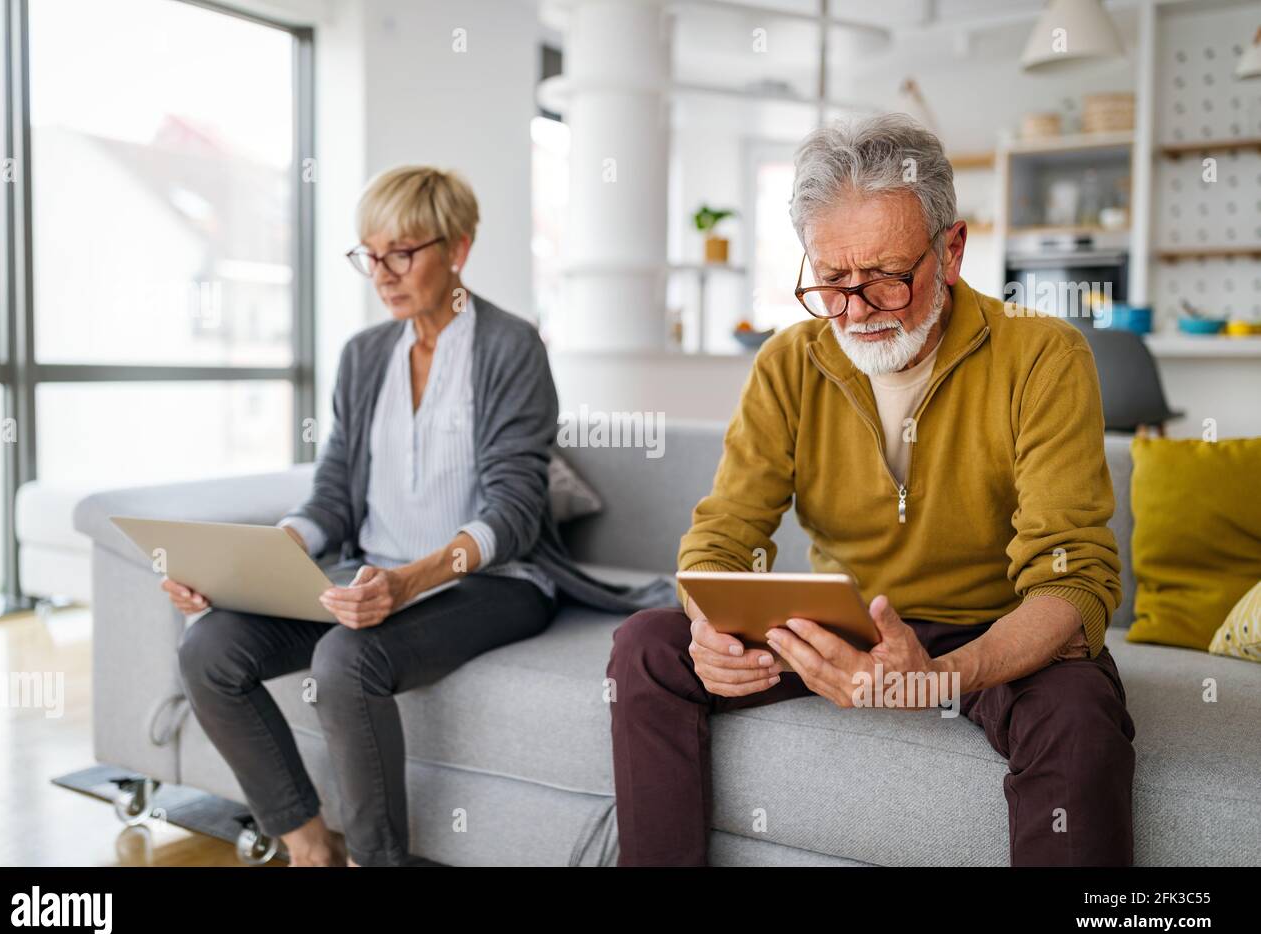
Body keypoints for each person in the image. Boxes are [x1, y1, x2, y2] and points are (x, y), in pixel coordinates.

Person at [607, 114, 1133, 867]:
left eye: (885, 279)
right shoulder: (790, 362)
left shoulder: (1044, 354)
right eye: (830, 282)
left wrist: (937, 678)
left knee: (1081, 714)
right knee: (645, 646)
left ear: (951, 251)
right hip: (847, 627)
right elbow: (724, 534)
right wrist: (707, 625)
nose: (853, 311)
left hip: (992, 630)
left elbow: (1073, 577)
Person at [167, 166, 670, 866]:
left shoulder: (510, 346)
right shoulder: (365, 355)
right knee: (209, 648)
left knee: (345, 659)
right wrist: (268, 555)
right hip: (373, 569)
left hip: (497, 582)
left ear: (458, 248)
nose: (383, 273)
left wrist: (410, 581)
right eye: (370, 255)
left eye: (402, 252)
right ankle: (310, 847)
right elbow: (334, 495)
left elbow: (517, 511)